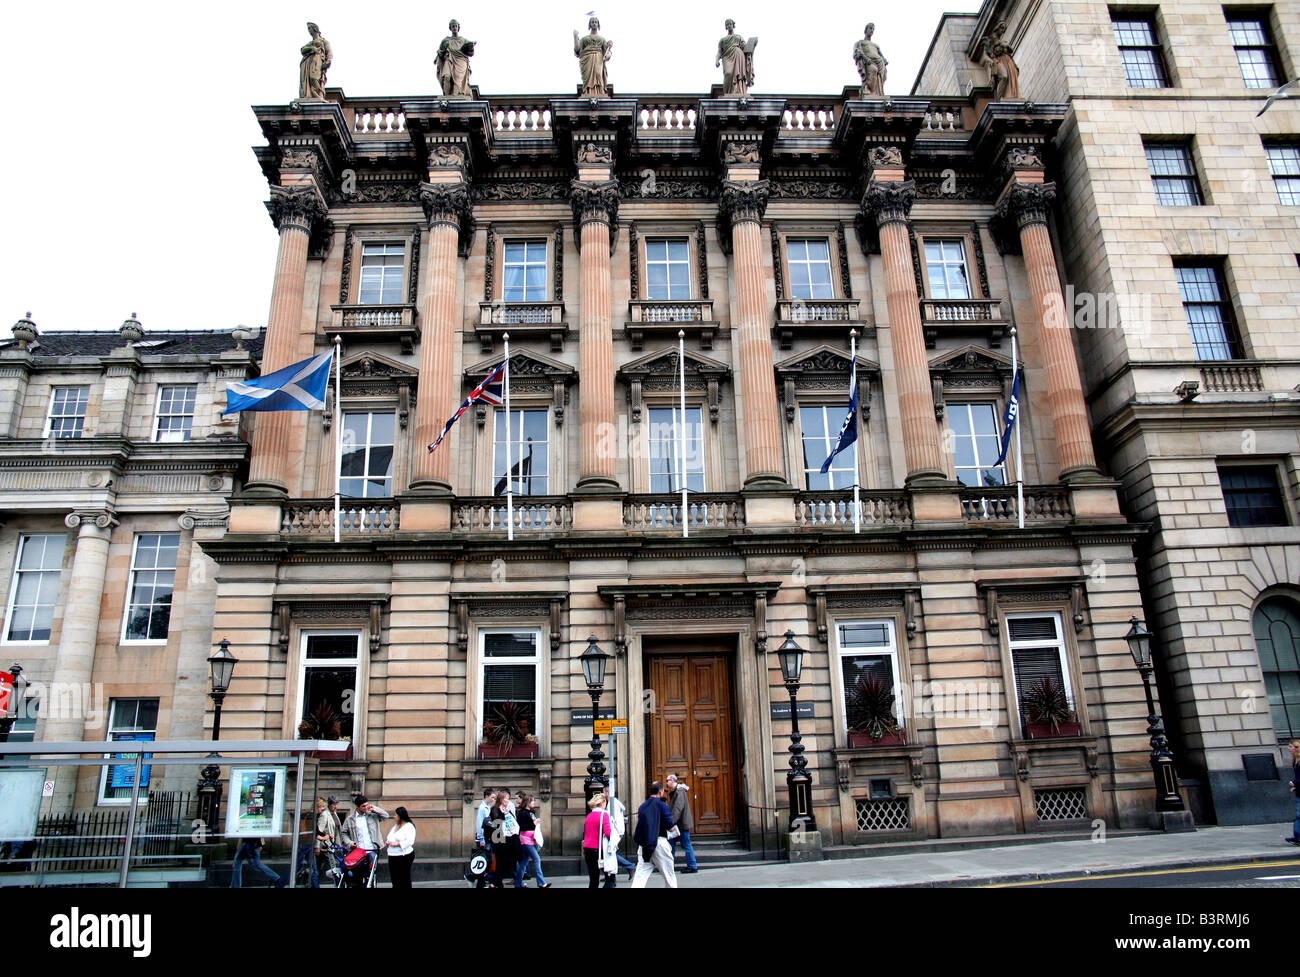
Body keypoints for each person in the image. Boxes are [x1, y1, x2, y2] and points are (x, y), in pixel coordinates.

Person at [631, 781, 677, 888]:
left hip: (645, 845)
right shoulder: (662, 805)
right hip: (660, 843)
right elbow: (670, 826)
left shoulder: (642, 806)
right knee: (669, 875)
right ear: (660, 792)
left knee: (640, 875)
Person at [342, 793, 390, 879]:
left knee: (372, 874)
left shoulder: (372, 815)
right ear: (357, 806)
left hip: (371, 849)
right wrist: (350, 843)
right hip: (358, 851)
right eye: (363, 806)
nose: (366, 808)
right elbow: (344, 833)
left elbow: (386, 816)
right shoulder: (350, 819)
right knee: (358, 874)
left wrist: (374, 809)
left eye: (366, 805)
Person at [485, 790, 520, 887]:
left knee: (504, 862)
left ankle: (497, 882)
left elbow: (512, 821)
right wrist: (504, 813)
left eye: (508, 799)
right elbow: (497, 821)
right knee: (501, 862)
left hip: (507, 840)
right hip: (498, 840)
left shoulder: (505, 808)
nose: (507, 801)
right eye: (506, 799)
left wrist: (508, 812)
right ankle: (497, 882)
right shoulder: (495, 809)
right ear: (501, 799)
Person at [515, 794, 551, 888]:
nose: (534, 803)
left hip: (531, 839)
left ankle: (518, 883)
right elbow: (521, 827)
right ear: (527, 802)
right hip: (526, 840)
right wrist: (533, 824)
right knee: (536, 859)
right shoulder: (523, 813)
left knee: (523, 862)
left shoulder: (531, 812)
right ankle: (541, 882)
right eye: (532, 801)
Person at [665, 774, 698, 874]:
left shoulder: (679, 792)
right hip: (678, 824)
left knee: (685, 845)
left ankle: (692, 866)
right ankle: (669, 866)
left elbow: (677, 809)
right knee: (671, 845)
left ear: (673, 781)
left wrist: (671, 822)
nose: (666, 783)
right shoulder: (676, 791)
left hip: (680, 825)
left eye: (667, 780)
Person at [573, 17, 613, 98]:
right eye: (592, 22)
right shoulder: (584, 39)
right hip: (587, 58)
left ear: (598, 25)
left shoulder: (602, 39)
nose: (594, 23)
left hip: (598, 58)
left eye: (596, 22)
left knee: (598, 74)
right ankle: (587, 91)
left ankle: (600, 90)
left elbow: (607, 52)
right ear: (589, 25)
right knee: (587, 78)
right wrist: (575, 37)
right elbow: (577, 50)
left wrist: (608, 54)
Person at [582, 792, 614, 889]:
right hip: (598, 850)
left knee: (594, 879)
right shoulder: (603, 815)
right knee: (610, 878)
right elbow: (608, 833)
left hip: (587, 849)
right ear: (603, 803)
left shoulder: (589, 816)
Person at [436, 19, 475, 98]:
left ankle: (455, 96)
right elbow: (440, 53)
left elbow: (471, 53)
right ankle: (446, 97)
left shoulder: (463, 40)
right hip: (449, 59)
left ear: (458, 27)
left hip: (461, 60)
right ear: (450, 28)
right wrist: (443, 49)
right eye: (452, 26)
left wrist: (470, 47)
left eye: (456, 26)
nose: (454, 28)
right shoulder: (446, 40)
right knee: (446, 76)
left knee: (458, 81)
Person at [606, 788, 635, 885]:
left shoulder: (612, 803)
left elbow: (610, 819)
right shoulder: (613, 802)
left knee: (610, 853)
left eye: (604, 791)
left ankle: (629, 866)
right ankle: (610, 875)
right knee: (610, 853)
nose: (603, 794)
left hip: (615, 832)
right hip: (616, 831)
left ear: (607, 792)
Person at [298, 22, 331, 101]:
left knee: (314, 77)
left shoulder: (323, 41)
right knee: (308, 79)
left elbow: (329, 51)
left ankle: (318, 95)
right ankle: (310, 95)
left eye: (310, 28)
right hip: (307, 62)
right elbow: (302, 50)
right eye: (308, 29)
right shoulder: (310, 43)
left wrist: (328, 60)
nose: (309, 30)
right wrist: (312, 49)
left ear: (315, 29)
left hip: (318, 60)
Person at [853, 23, 888, 97]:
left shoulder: (875, 45)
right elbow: (855, 53)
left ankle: (877, 94)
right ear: (866, 30)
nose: (872, 30)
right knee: (873, 71)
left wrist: (884, 60)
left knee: (880, 77)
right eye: (870, 28)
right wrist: (860, 56)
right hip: (868, 61)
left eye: (873, 29)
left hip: (879, 62)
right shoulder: (860, 42)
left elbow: (881, 55)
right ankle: (869, 91)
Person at [385, 807, 416, 888]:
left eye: (396, 815)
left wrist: (397, 844)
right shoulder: (395, 826)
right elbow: (390, 837)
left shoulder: (409, 826)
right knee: (395, 879)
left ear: (401, 816)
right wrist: (388, 842)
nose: (394, 817)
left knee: (404, 879)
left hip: (403, 856)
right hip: (392, 855)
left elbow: (410, 841)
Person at [317, 796, 341, 882]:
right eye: (334, 805)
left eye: (336, 804)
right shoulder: (324, 814)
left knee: (318, 867)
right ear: (329, 805)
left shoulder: (335, 813)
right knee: (334, 866)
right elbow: (319, 831)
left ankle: (313, 882)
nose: (336, 807)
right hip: (326, 845)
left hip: (333, 844)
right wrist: (317, 847)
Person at [1287, 740, 1300, 846]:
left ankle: (1298, 837)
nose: (1288, 748)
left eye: (1290, 746)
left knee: (1299, 815)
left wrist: (1295, 782)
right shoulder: (1295, 760)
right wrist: (1296, 786)